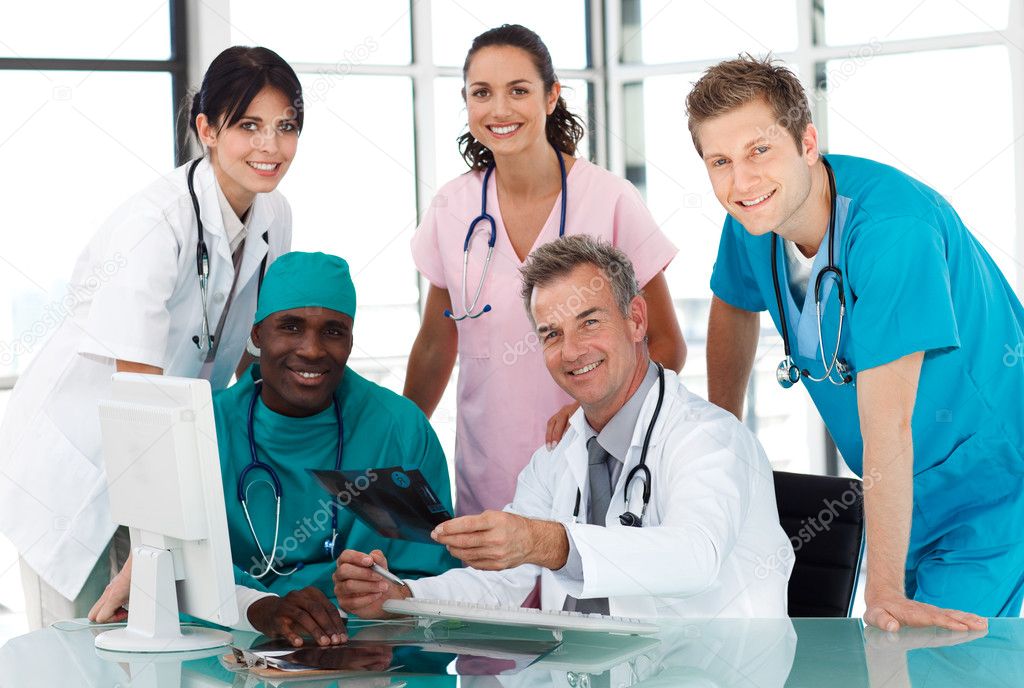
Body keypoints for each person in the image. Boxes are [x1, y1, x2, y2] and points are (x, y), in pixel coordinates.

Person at [687, 55, 1024, 630]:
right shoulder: (754, 220)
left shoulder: (892, 230)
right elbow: (734, 303)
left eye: (759, 151)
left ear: (808, 142)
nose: (740, 181)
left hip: (990, 488)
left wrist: (885, 590)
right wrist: (724, 434)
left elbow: (887, 422)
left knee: (932, 679)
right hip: (899, 493)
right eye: (720, 161)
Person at [0, 46, 303, 629]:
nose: (270, 146)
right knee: (76, 660)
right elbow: (139, 401)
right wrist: (151, 545)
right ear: (207, 129)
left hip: (163, 458)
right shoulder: (153, 226)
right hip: (78, 468)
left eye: (285, 127)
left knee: (158, 657)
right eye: (248, 125)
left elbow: (249, 358)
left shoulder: (275, 214)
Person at [336, 236, 791, 619]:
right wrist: (403, 597)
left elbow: (696, 558)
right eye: (551, 333)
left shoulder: (710, 438)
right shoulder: (557, 455)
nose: (571, 351)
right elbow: (502, 584)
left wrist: (549, 542)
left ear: (636, 320)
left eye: (589, 321)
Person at [91, 252, 459, 645]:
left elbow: (430, 577)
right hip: (228, 644)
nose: (312, 350)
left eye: (333, 331)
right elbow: (174, 567)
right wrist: (261, 605)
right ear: (256, 335)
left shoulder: (399, 428)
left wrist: (375, 595)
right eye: (291, 327)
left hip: (371, 650)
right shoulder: (201, 426)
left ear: (351, 340)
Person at [404, 24, 686, 517]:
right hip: (485, 470)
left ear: (551, 96)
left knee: (579, 586)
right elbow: (435, 342)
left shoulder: (610, 199)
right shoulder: (453, 206)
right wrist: (399, 443)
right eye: (482, 93)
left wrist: (592, 410)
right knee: (483, 591)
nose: (500, 109)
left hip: (591, 457)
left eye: (519, 90)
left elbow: (665, 343)